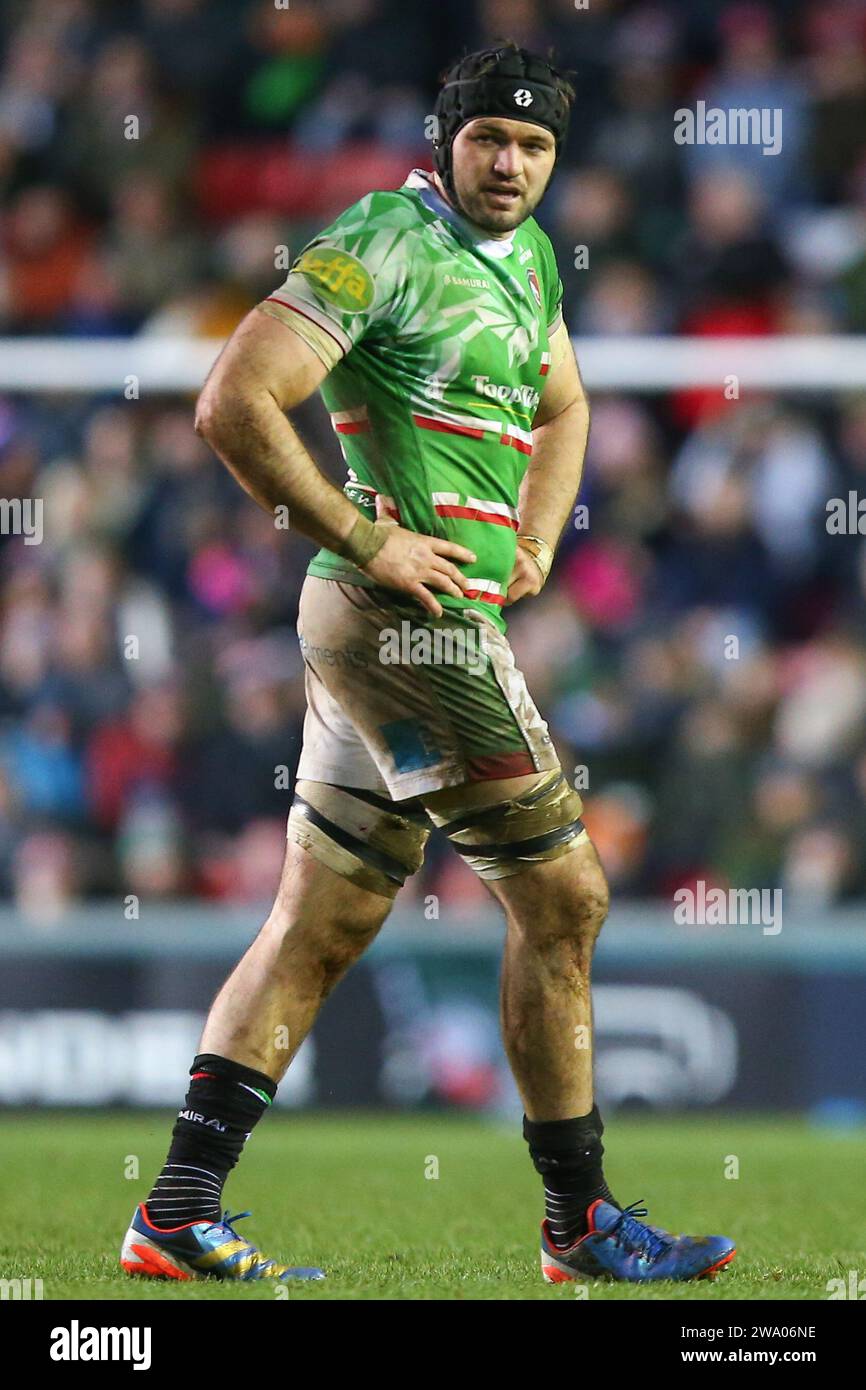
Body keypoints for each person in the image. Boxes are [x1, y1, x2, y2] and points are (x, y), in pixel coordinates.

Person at [120, 41, 735, 1286]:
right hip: (403, 622)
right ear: (442, 140)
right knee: (562, 900)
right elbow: (234, 398)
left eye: (534, 146)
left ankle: (177, 1209)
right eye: (488, 140)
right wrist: (366, 533)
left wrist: (540, 535)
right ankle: (578, 1222)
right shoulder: (382, 243)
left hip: (401, 621)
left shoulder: (526, 272)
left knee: (325, 917)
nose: (509, 163)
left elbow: (562, 408)